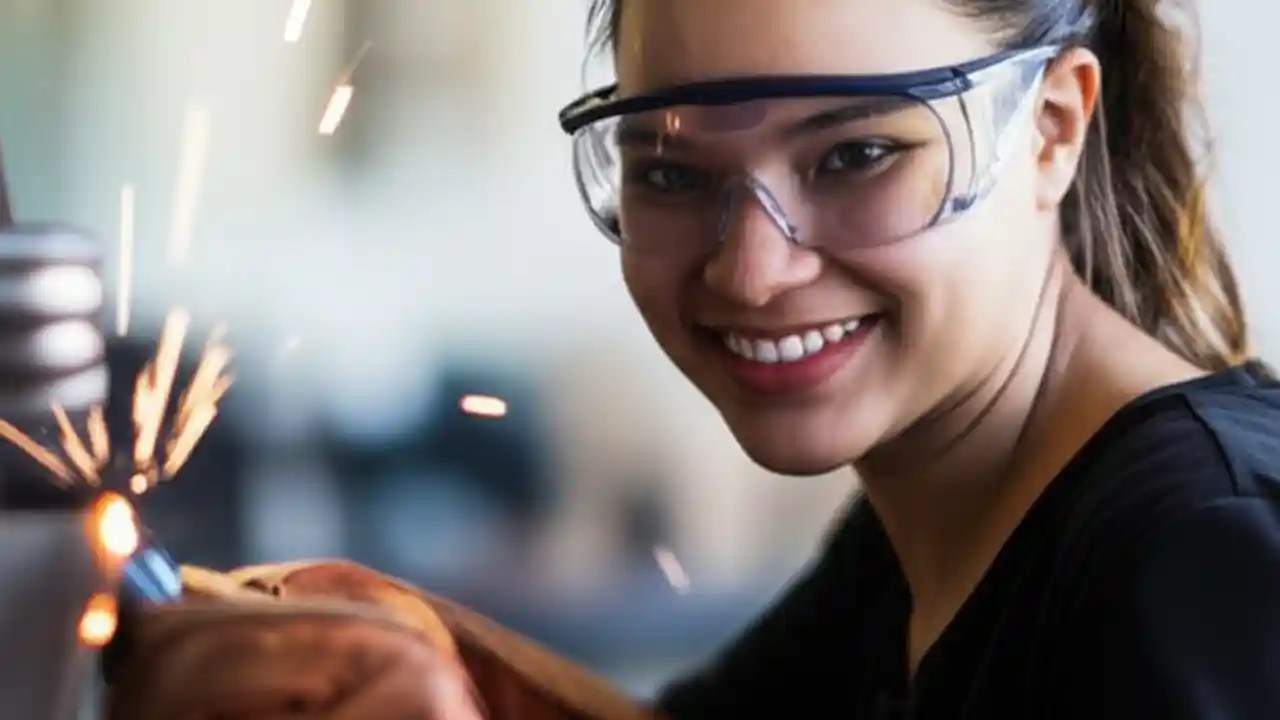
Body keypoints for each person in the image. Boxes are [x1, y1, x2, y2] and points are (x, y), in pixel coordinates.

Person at [107, 0, 1280, 718]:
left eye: (856, 155)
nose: (750, 273)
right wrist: (399, 631)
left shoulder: (1193, 557)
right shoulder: (924, 526)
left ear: (1052, 129)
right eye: (669, 171)